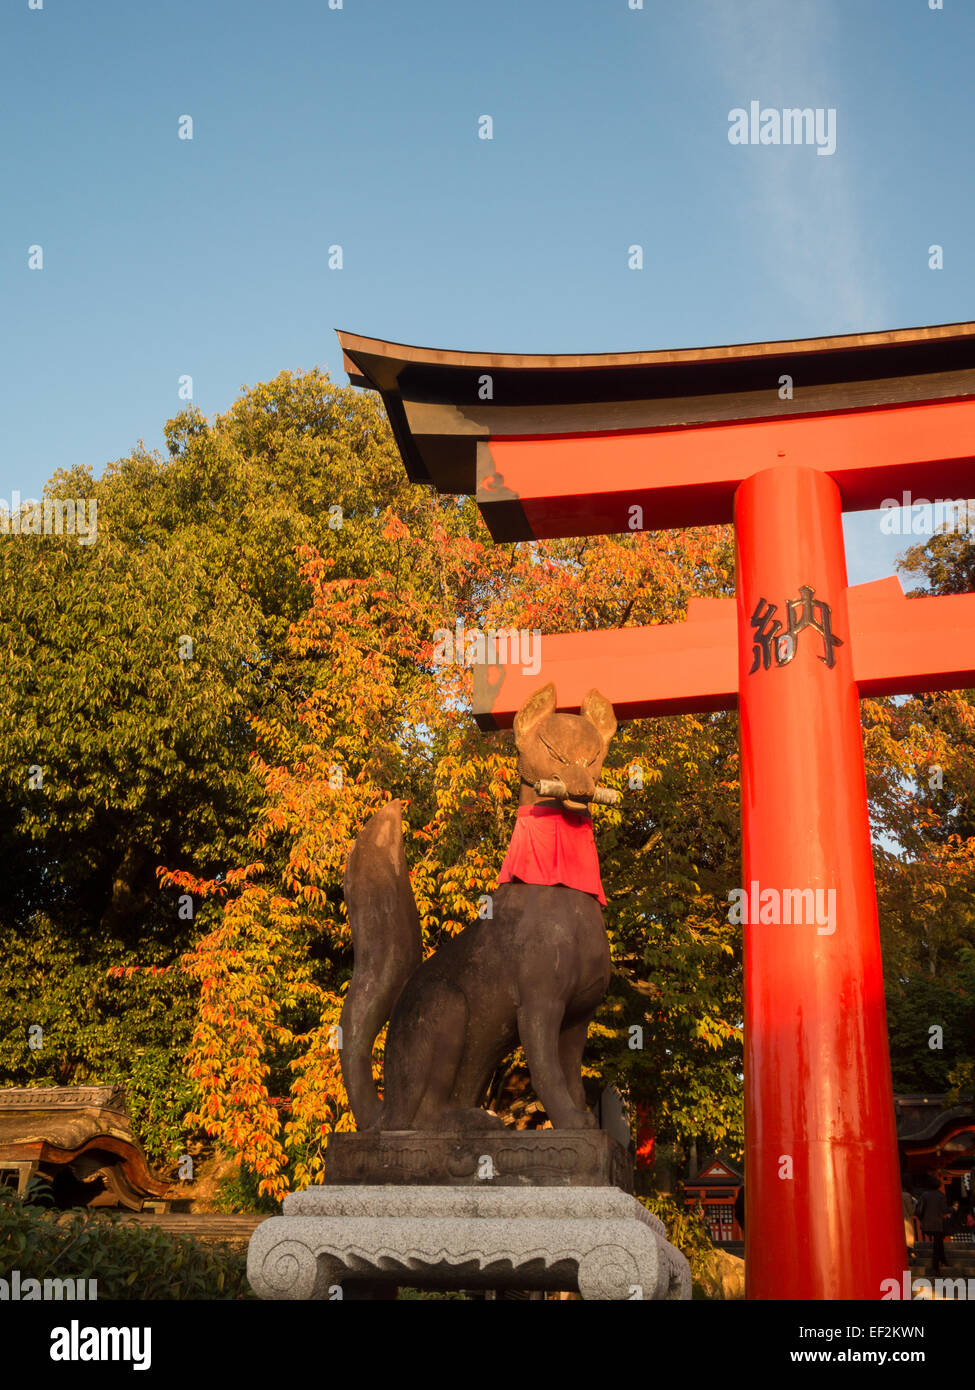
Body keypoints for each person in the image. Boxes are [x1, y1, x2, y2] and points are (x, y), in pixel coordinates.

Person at [915, 1177, 950, 1275]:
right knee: (937, 1244)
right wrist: (952, 1209)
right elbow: (944, 1210)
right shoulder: (941, 1196)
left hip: (927, 1224)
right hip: (938, 1224)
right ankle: (936, 1267)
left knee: (938, 1243)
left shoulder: (924, 1195)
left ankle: (943, 1260)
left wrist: (922, 1218)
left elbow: (919, 1210)